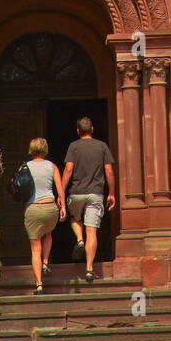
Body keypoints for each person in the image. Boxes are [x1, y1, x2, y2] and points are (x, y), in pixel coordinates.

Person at [61, 117, 115, 283]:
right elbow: (109, 171)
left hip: (76, 192)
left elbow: (68, 169)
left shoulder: (74, 146)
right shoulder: (102, 146)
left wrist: (61, 192)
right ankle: (90, 268)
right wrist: (111, 192)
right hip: (96, 193)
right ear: (92, 130)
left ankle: (79, 239)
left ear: (78, 131)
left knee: (74, 218)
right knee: (92, 230)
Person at [23, 138, 66, 294]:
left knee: (35, 248)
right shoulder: (52, 166)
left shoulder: (25, 167)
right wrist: (63, 206)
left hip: (33, 207)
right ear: (45, 149)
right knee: (48, 231)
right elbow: (59, 187)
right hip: (50, 208)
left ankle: (39, 285)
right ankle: (46, 262)